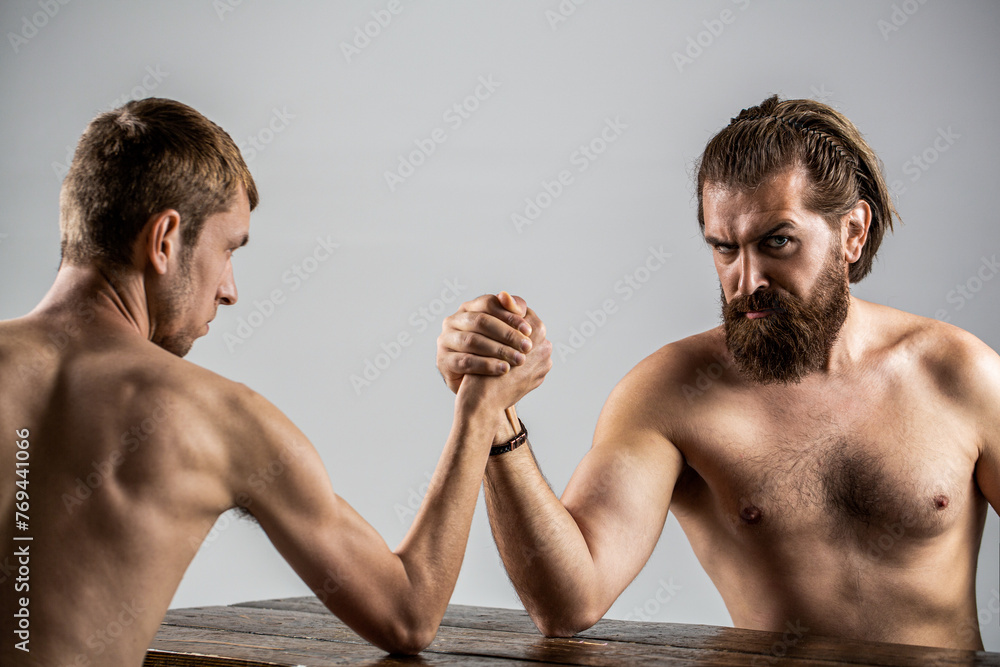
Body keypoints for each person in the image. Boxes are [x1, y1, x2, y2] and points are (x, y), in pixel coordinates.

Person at [0, 97, 552, 666]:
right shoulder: (220, 419)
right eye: (228, 249)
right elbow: (407, 612)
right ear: (164, 240)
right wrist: (479, 412)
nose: (230, 290)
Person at [436, 95, 1000, 650]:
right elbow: (568, 602)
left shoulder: (959, 374)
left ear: (852, 232)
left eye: (777, 242)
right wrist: (492, 410)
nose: (747, 278)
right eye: (725, 248)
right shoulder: (671, 394)